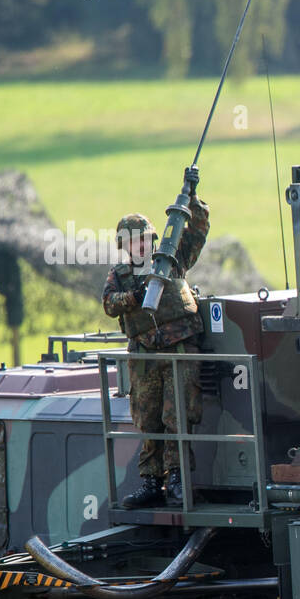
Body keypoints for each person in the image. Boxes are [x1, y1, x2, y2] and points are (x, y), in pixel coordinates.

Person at [102, 166, 208, 508]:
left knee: (177, 416)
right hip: (145, 355)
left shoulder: (172, 262)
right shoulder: (119, 276)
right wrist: (135, 296)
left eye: (145, 238)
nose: (141, 245)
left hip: (179, 351)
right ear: (124, 244)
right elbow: (109, 305)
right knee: (147, 419)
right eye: (134, 240)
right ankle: (150, 482)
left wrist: (192, 198)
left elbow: (198, 231)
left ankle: (177, 480)